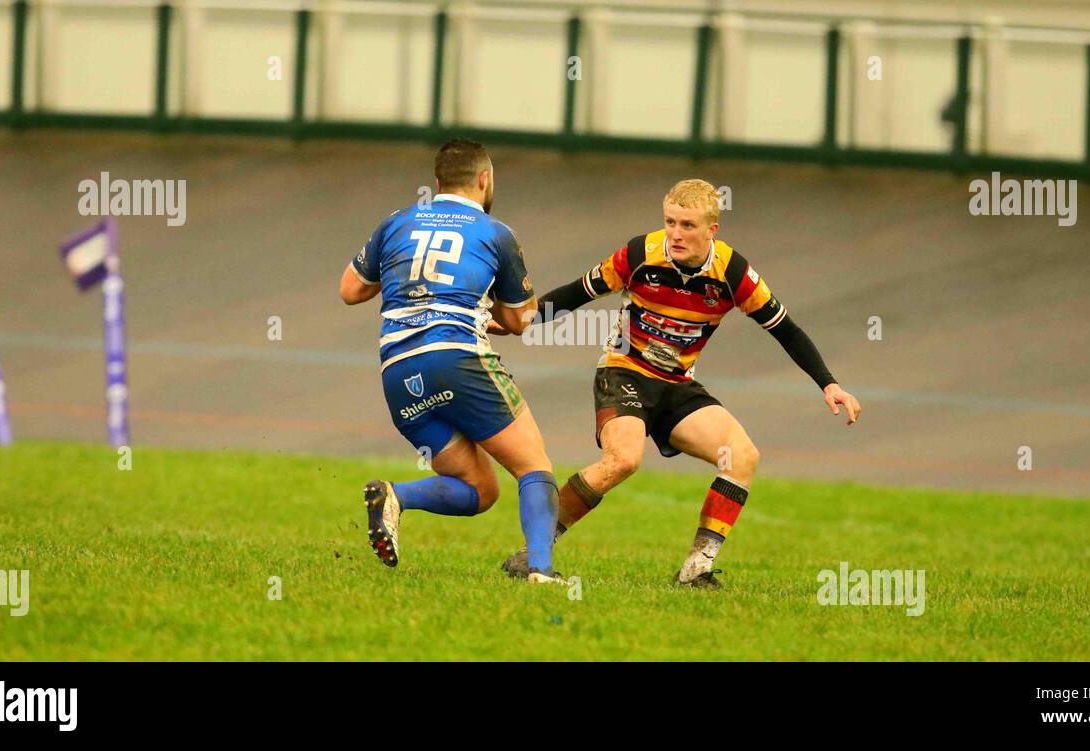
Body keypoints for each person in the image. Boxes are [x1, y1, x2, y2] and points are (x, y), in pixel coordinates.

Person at [499, 179, 861, 588]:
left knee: (741, 456)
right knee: (624, 460)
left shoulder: (734, 273)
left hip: (677, 385)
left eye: (687, 225)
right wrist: (521, 322)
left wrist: (828, 384)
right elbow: (577, 293)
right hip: (624, 371)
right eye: (670, 221)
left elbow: (786, 330)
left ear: (712, 230)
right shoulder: (640, 253)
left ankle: (695, 571)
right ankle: (535, 553)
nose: (675, 234)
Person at [340, 138, 563, 584]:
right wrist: (492, 308)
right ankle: (540, 569)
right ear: (485, 179)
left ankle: (395, 496)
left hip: (399, 371)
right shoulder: (495, 232)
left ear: (437, 182)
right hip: (458, 358)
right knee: (533, 465)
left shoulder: (396, 222)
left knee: (482, 490)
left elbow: (351, 290)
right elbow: (521, 319)